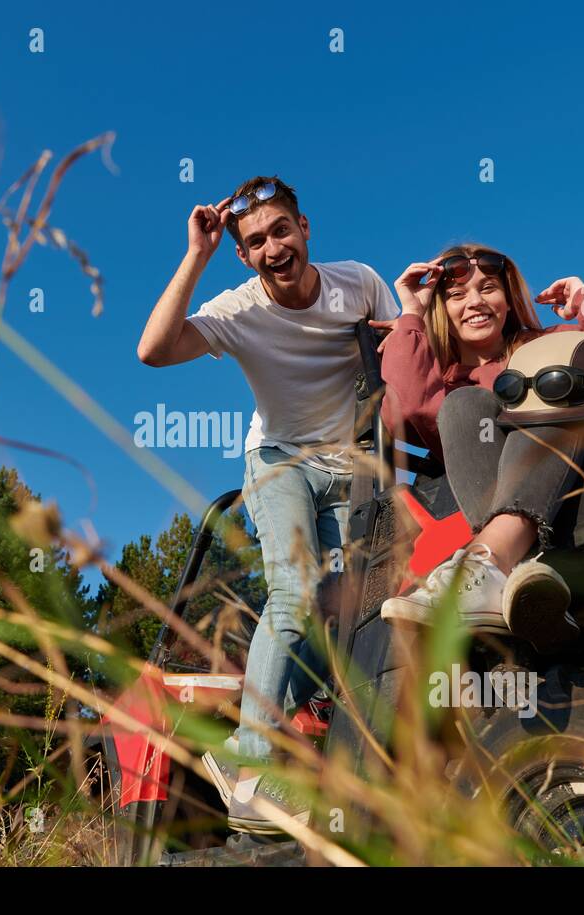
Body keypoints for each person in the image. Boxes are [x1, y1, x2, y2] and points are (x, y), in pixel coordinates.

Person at [137, 176, 399, 833]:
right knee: (296, 585)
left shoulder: (359, 283)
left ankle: (311, 722)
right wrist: (195, 255)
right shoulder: (240, 309)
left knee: (350, 611)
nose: (273, 247)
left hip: (352, 466)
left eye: (281, 230)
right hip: (278, 462)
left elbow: (397, 364)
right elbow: (153, 352)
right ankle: (247, 767)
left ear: (304, 228)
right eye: (255, 242)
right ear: (244, 256)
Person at [377, 244, 584, 645]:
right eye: (456, 295)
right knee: (464, 404)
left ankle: (488, 564)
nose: (475, 302)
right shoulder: (454, 392)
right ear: (442, 310)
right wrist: (411, 315)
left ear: (508, 299)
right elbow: (407, 409)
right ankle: (525, 578)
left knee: (546, 378)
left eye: (488, 288)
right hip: (528, 521)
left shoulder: (557, 341)